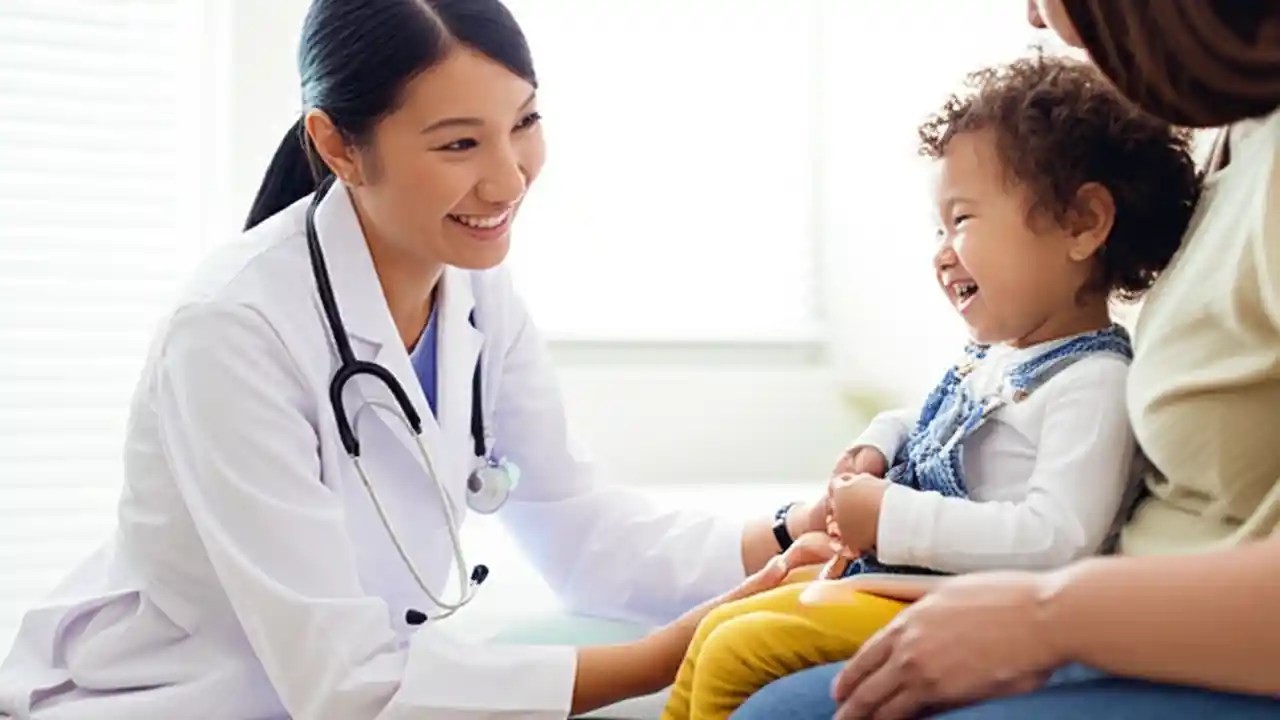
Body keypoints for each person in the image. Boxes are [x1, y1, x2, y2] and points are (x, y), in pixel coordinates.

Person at [0, 1, 837, 718]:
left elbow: (585, 536)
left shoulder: (475, 293)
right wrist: (665, 657)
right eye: (458, 145)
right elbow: (352, 688)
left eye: (524, 123)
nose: (509, 180)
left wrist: (789, 531)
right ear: (338, 146)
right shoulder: (230, 330)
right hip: (175, 702)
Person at [732, 1, 1280, 718]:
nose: (1030, 13)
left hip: (1170, 633)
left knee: (774, 690)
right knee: (749, 659)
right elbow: (929, 422)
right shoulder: (1230, 143)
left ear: (1085, 224)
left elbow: (1056, 536)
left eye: (961, 220)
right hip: (1111, 610)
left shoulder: (1091, 377)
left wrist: (1042, 615)